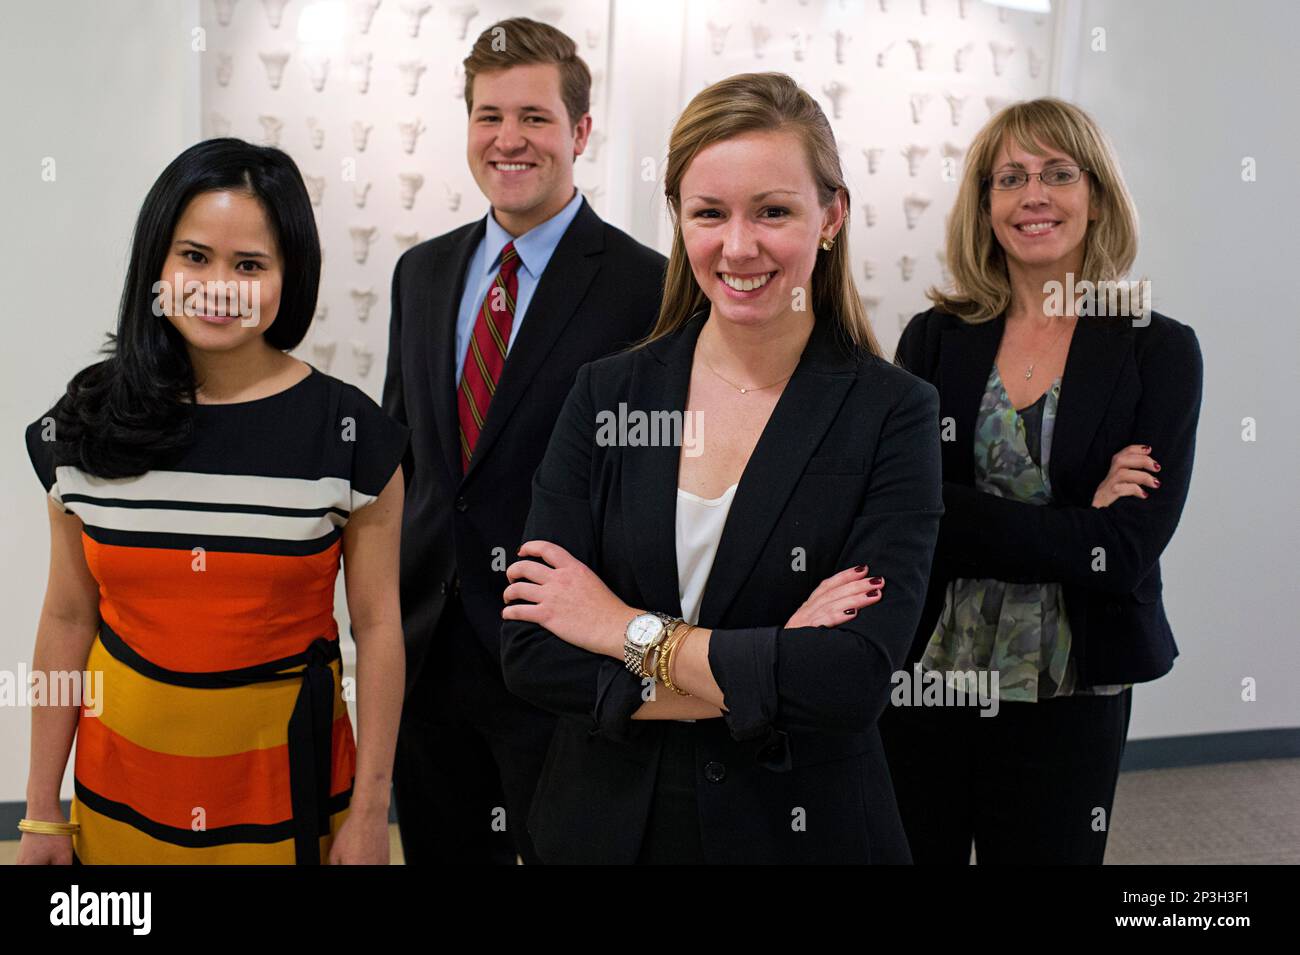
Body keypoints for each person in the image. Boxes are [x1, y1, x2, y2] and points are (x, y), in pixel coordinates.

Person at [499, 71, 943, 864]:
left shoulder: (894, 412)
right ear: (678, 219)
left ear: (831, 216)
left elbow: (848, 681)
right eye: (710, 213)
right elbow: (533, 651)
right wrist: (766, 664)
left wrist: (617, 627)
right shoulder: (607, 393)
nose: (739, 246)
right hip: (607, 827)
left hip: (800, 829)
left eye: (774, 211)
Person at [17, 138, 408, 864]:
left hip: (287, 800)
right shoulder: (85, 426)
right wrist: (41, 810)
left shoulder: (351, 438)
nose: (218, 285)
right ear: (156, 267)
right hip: (120, 796)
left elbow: (380, 626)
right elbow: (69, 616)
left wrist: (370, 812)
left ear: (291, 276)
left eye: (250, 265)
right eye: (194, 256)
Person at [881, 97, 1204, 864]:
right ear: (985, 205)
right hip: (928, 674)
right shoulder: (934, 338)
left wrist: (966, 517)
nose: (1034, 195)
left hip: (1073, 684)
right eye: (1011, 177)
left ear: (1095, 196)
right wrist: (1075, 518)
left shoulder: (1157, 350)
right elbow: (906, 515)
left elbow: (1123, 550)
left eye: (1059, 173)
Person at [382, 17, 666, 864]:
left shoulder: (646, 285)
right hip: (428, 653)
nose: (510, 139)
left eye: (535, 117)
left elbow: (651, 480)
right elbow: (409, 457)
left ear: (580, 132)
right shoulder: (421, 272)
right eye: (489, 116)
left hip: (562, 659)